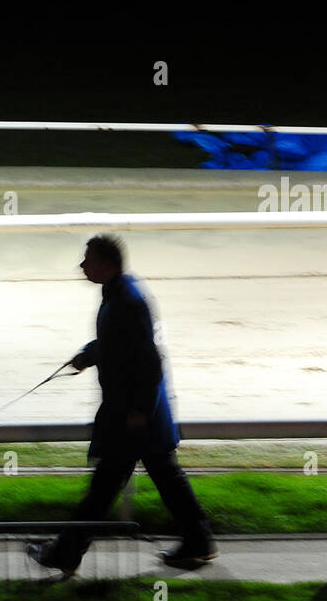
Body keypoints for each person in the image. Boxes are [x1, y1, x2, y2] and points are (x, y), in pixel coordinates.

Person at [27, 234, 217, 573]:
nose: (82, 266)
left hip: (134, 417)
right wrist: (90, 354)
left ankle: (65, 553)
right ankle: (199, 542)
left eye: (88, 260)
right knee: (163, 480)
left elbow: (149, 360)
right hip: (140, 416)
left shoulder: (126, 299)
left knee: (104, 487)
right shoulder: (121, 290)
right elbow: (120, 344)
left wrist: (139, 412)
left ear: (106, 264)